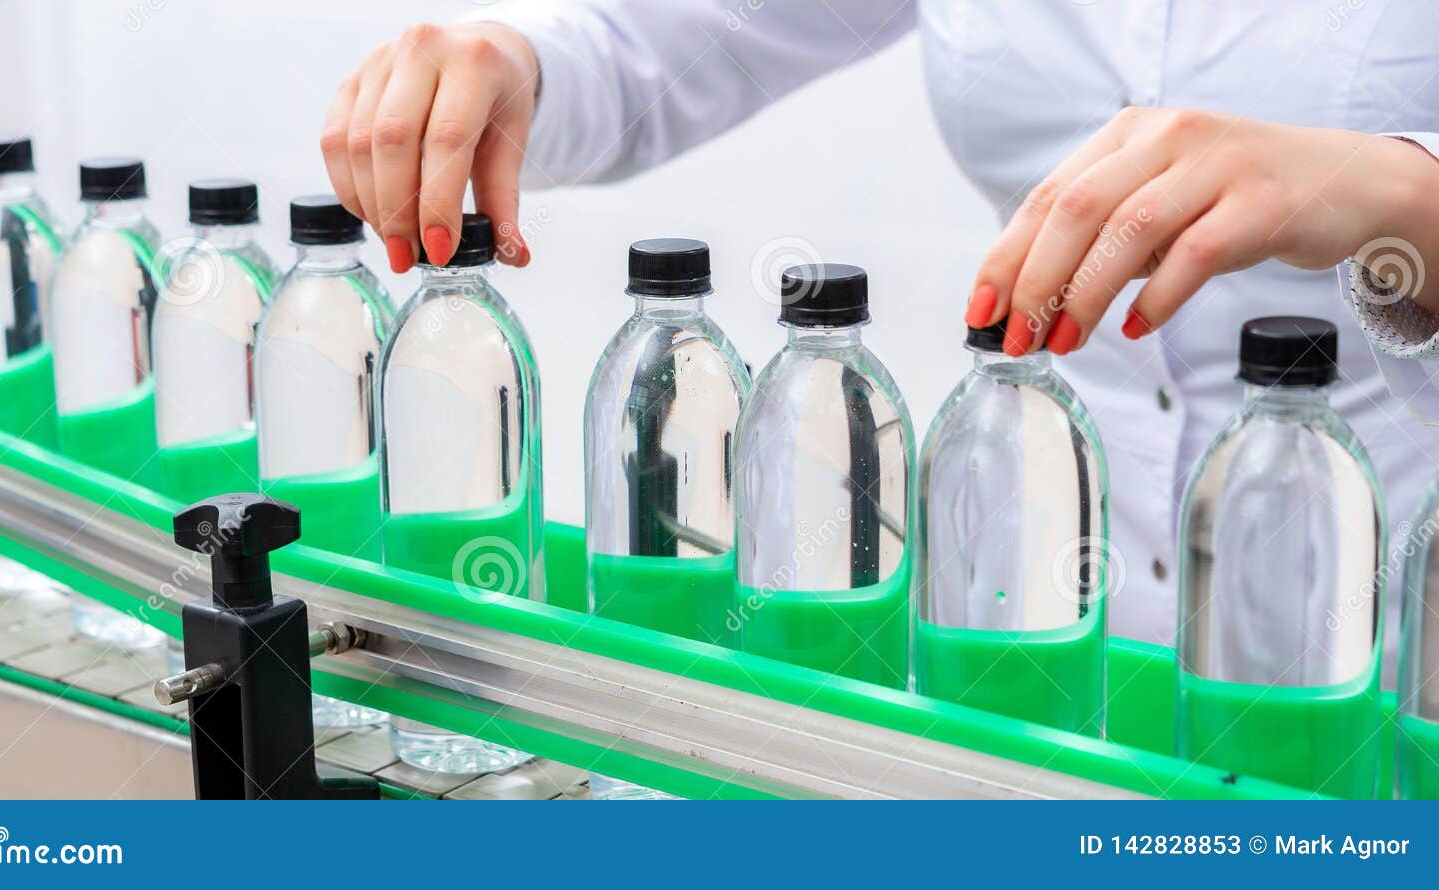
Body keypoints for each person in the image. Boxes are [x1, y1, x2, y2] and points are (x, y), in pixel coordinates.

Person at [318, 0, 1439, 655]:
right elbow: (677, 40)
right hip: (1039, 622)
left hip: (1387, 630)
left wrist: (1402, 195)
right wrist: (514, 61)